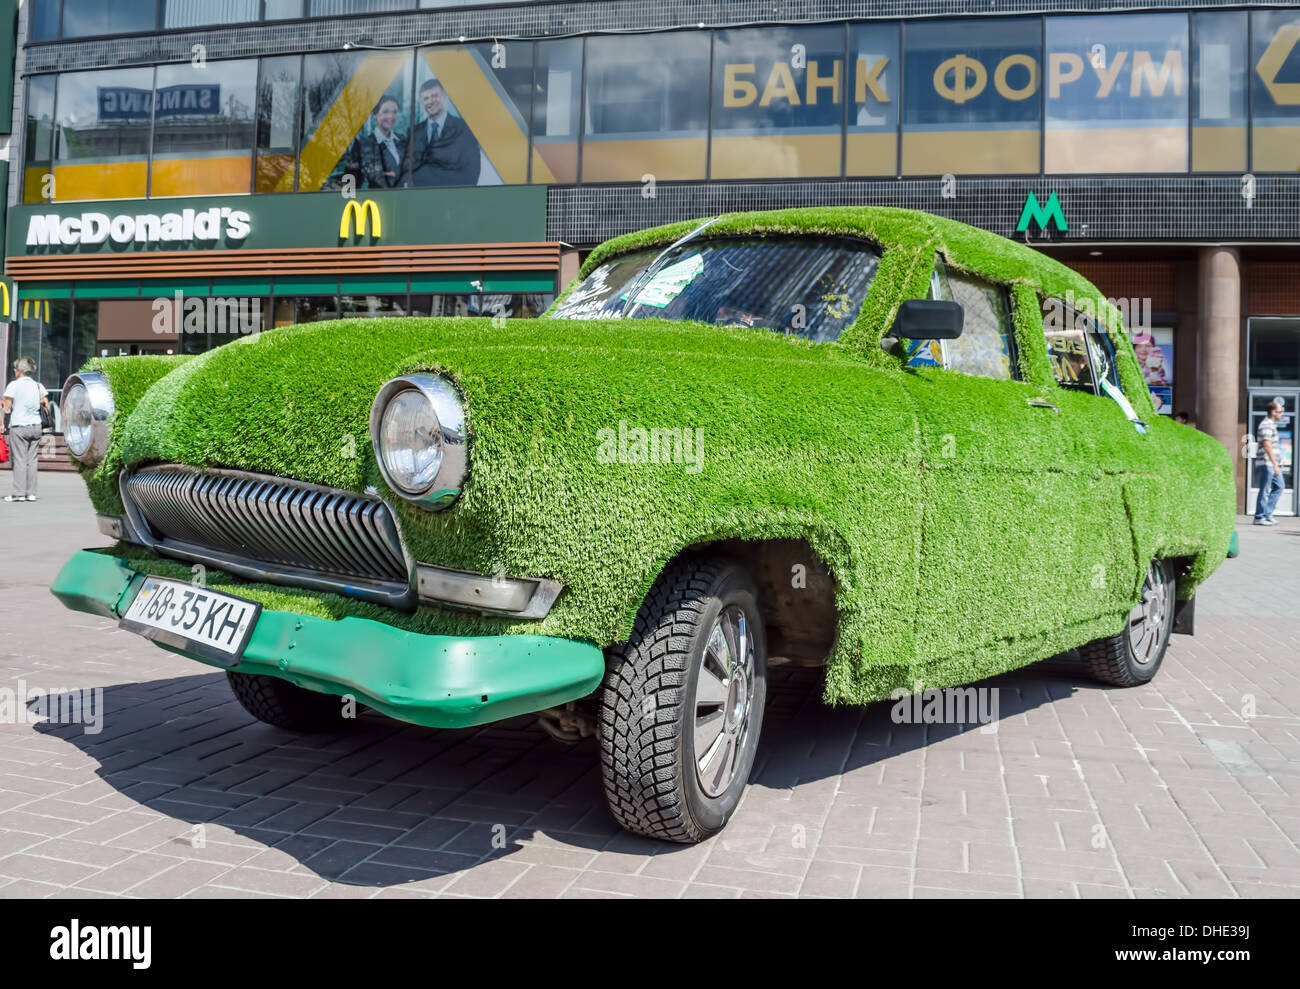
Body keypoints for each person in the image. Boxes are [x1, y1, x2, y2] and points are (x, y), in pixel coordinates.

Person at [410, 79, 481, 187]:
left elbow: (472, 170)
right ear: (422, 102)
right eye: (426, 98)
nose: (430, 101)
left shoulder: (465, 129)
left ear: (445, 96)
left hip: (455, 198)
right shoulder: (414, 132)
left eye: (434, 96)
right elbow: (410, 169)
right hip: (423, 198)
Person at [2, 357, 49, 503]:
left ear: (20, 370)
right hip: (36, 426)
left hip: (19, 426)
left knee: (20, 460)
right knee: (32, 460)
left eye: (15, 369)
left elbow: (8, 408)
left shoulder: (14, 386)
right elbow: (46, 404)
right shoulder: (38, 385)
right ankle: (31, 494)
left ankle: (18, 494)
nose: (14, 371)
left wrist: (3, 404)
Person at [343, 95, 407, 188]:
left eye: (394, 112)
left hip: (405, 197)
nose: (391, 116)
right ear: (375, 115)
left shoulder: (402, 140)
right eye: (385, 111)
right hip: (378, 199)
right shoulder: (363, 145)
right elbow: (350, 186)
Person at [1253, 400, 1285, 526]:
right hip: (1267, 464)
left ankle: (1267, 513)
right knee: (1265, 490)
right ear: (1273, 412)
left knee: (1279, 486)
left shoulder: (1271, 424)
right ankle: (1259, 517)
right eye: (1280, 412)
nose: (1282, 414)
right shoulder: (1266, 424)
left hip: (1272, 464)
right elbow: (1267, 445)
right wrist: (1275, 464)